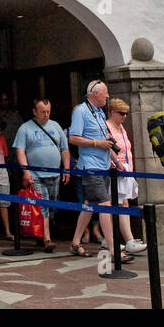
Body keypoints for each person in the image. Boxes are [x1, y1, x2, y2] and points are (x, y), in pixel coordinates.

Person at [12, 97, 70, 252]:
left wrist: (67, 168)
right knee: (43, 205)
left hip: (55, 174)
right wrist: (26, 171)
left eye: (48, 111)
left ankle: (41, 234)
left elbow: (64, 148)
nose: (46, 114)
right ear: (34, 112)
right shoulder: (25, 128)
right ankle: (47, 239)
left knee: (52, 206)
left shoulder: (55, 126)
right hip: (36, 175)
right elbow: (20, 151)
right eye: (42, 112)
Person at [68, 80, 117, 258]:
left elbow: (106, 140)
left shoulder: (99, 113)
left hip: (103, 166)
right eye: (105, 92)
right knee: (105, 205)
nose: (108, 96)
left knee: (89, 205)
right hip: (91, 167)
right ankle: (113, 249)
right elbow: (73, 138)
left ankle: (75, 242)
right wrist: (97, 143)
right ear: (95, 94)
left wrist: (116, 161)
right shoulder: (81, 112)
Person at [106, 97, 145, 254]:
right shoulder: (107, 127)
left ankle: (126, 239)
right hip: (115, 171)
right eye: (122, 113)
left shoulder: (121, 128)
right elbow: (107, 149)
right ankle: (117, 239)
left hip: (126, 170)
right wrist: (117, 166)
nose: (125, 116)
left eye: (126, 113)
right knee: (112, 204)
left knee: (124, 203)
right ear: (112, 112)